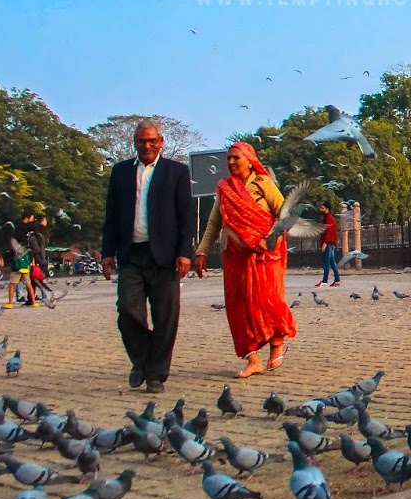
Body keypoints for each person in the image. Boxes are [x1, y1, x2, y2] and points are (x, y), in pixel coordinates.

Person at [101, 120, 194, 393]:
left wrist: (184, 253)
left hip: (165, 256)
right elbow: (111, 217)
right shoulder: (120, 173)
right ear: (135, 142)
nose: (148, 145)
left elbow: (186, 217)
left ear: (161, 142)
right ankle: (141, 360)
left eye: (152, 140)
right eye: (142, 141)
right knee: (128, 312)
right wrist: (107, 253)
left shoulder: (175, 172)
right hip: (131, 254)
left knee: (166, 316)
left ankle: (156, 375)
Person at [194, 141, 297, 378]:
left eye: (235, 158)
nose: (230, 162)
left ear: (250, 160)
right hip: (234, 256)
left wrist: (268, 238)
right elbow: (214, 224)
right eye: (228, 158)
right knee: (238, 306)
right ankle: (252, 359)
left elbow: (285, 215)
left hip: (265, 255)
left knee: (268, 300)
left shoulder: (263, 183)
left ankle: (277, 345)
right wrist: (201, 251)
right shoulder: (224, 189)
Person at [316, 203, 340, 287]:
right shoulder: (329, 218)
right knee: (332, 262)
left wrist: (325, 243)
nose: (321, 209)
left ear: (327, 209)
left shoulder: (328, 218)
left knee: (326, 262)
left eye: (322, 208)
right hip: (331, 243)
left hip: (328, 243)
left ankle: (324, 281)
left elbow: (328, 232)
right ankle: (337, 280)